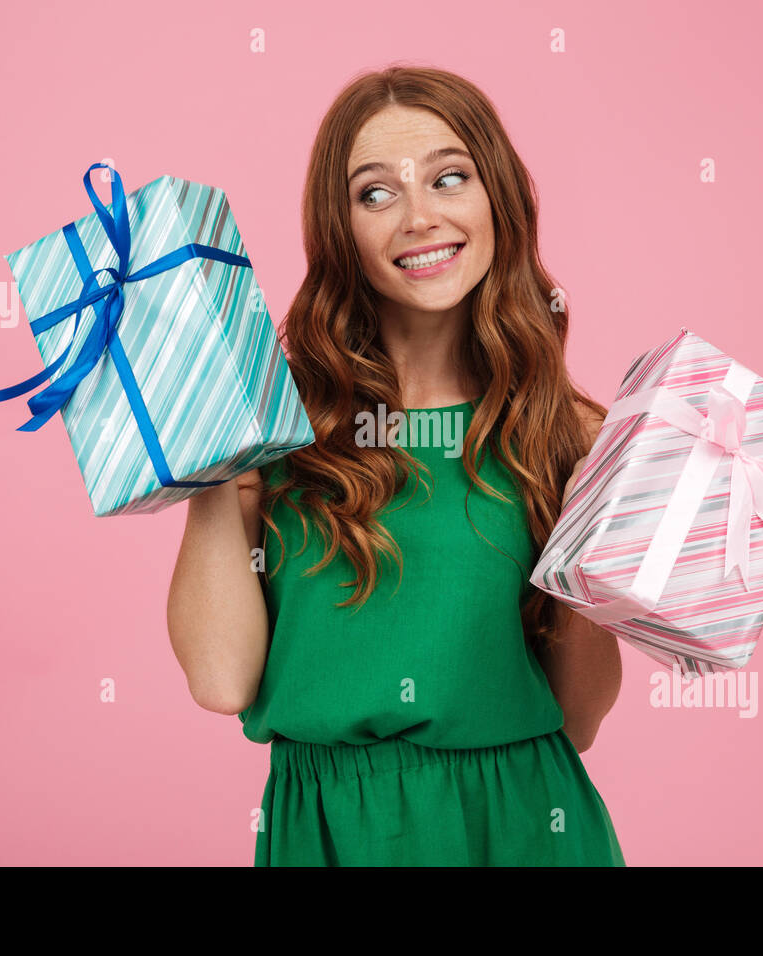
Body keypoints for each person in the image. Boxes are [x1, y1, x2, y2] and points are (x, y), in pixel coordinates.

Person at [167, 64, 626, 866]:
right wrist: (214, 455)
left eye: (450, 178)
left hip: (523, 828)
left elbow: (578, 717)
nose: (420, 217)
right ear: (339, 229)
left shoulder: (569, 431)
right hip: (332, 834)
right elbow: (219, 680)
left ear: (498, 203)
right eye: (375, 194)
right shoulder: (273, 428)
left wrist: (597, 522)